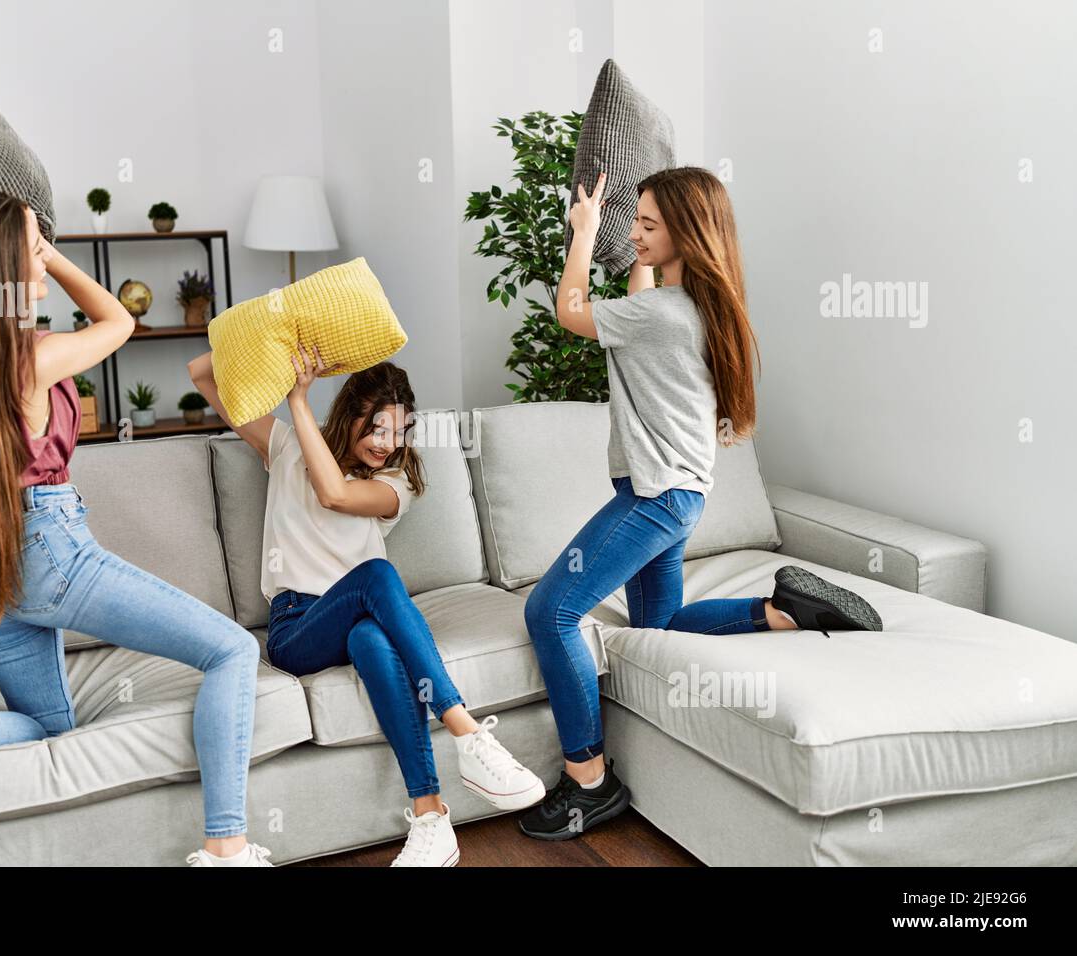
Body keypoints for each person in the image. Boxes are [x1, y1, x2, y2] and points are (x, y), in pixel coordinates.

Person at [0, 191, 273, 867]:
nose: (43, 259)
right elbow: (120, 321)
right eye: (33, 248)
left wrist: (29, 249)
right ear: (1, 263)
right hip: (50, 549)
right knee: (232, 650)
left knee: (48, 729)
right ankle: (226, 846)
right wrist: (58, 260)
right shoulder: (33, 357)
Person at [519, 168, 883, 842]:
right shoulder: (696, 309)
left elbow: (571, 310)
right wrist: (637, 248)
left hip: (655, 498)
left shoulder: (661, 315)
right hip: (679, 494)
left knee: (551, 611)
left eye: (648, 225)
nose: (635, 234)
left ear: (686, 234)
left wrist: (585, 233)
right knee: (658, 626)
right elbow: (637, 303)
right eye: (635, 222)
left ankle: (589, 781)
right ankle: (782, 612)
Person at [188, 346, 546, 866]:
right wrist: (284, 344)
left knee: (372, 638)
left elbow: (336, 494)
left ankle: (431, 819)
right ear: (349, 414)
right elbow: (202, 373)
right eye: (377, 428)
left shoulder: (394, 483)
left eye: (399, 432)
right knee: (377, 575)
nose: (387, 443)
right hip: (296, 630)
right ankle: (466, 732)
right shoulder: (286, 444)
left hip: (359, 620)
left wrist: (299, 400)